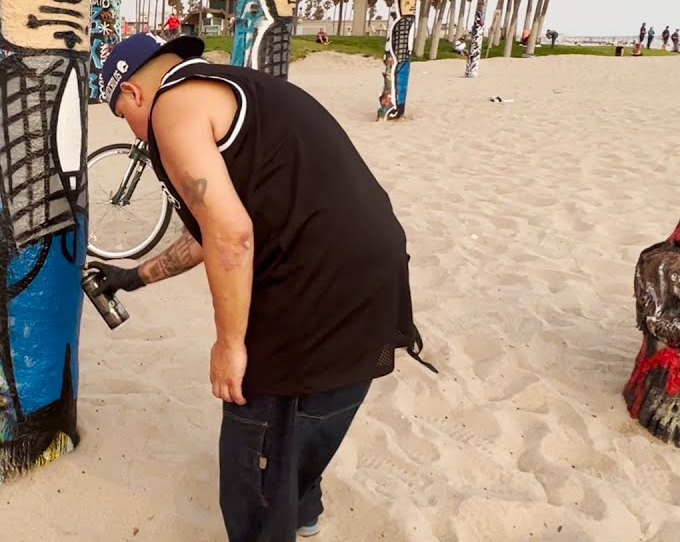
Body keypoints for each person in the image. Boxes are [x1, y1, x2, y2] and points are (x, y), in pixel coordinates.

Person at [89, 33, 434, 542]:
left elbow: (231, 235)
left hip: (314, 283)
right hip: (376, 273)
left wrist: (230, 344)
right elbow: (213, 230)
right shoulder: (230, 86)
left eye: (124, 116)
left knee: (254, 455)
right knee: (315, 415)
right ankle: (304, 509)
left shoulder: (171, 108)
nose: (136, 133)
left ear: (134, 94)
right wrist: (136, 276)